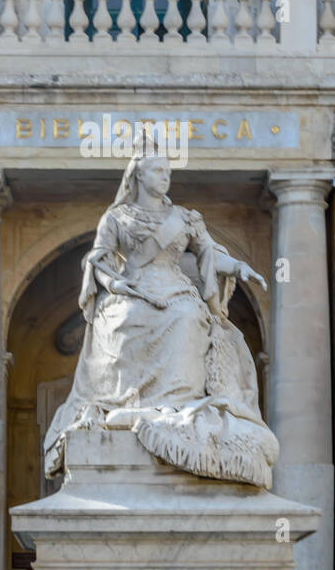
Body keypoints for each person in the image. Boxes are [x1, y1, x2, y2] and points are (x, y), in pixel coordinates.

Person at [44, 143, 279, 487]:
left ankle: (177, 405)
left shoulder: (184, 218)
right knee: (120, 318)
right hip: (132, 291)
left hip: (176, 292)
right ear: (138, 175)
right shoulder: (117, 217)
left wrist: (241, 268)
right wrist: (115, 283)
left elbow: (207, 254)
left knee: (186, 317)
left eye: (168, 171)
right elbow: (100, 258)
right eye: (158, 170)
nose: (165, 176)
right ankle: (126, 404)